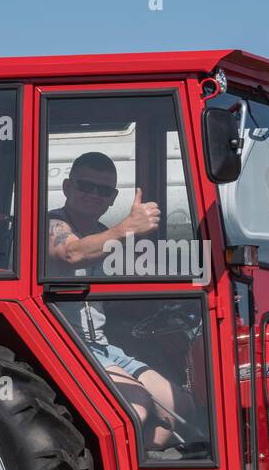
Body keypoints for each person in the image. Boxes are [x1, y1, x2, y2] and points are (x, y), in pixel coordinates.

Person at [45, 152, 181, 450]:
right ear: (67, 187)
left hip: (103, 346)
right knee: (136, 408)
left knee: (177, 406)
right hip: (61, 343)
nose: (93, 194)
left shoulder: (103, 234)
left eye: (103, 190)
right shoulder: (52, 224)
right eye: (85, 186)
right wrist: (128, 227)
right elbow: (73, 253)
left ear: (112, 197)